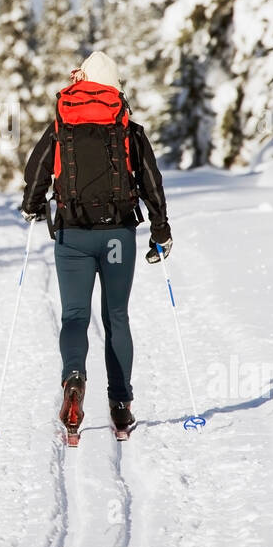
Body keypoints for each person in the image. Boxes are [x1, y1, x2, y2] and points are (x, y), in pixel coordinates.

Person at [19, 50, 172, 443]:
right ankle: (121, 407)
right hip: (118, 236)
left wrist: (32, 205)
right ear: (115, 87)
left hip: (73, 236)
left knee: (74, 316)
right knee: (116, 317)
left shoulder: (62, 125)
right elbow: (151, 181)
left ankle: (74, 378)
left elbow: (36, 170)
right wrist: (161, 229)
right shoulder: (127, 129)